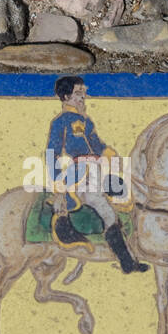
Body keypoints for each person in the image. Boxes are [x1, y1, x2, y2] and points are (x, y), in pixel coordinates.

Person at [46, 76, 148, 274]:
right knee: (107, 211)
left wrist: (108, 153)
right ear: (66, 96)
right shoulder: (60, 122)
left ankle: (131, 251)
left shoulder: (86, 120)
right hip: (79, 175)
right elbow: (52, 152)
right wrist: (58, 179)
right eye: (78, 94)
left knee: (125, 195)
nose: (83, 97)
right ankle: (126, 262)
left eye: (83, 93)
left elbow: (97, 145)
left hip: (97, 169)